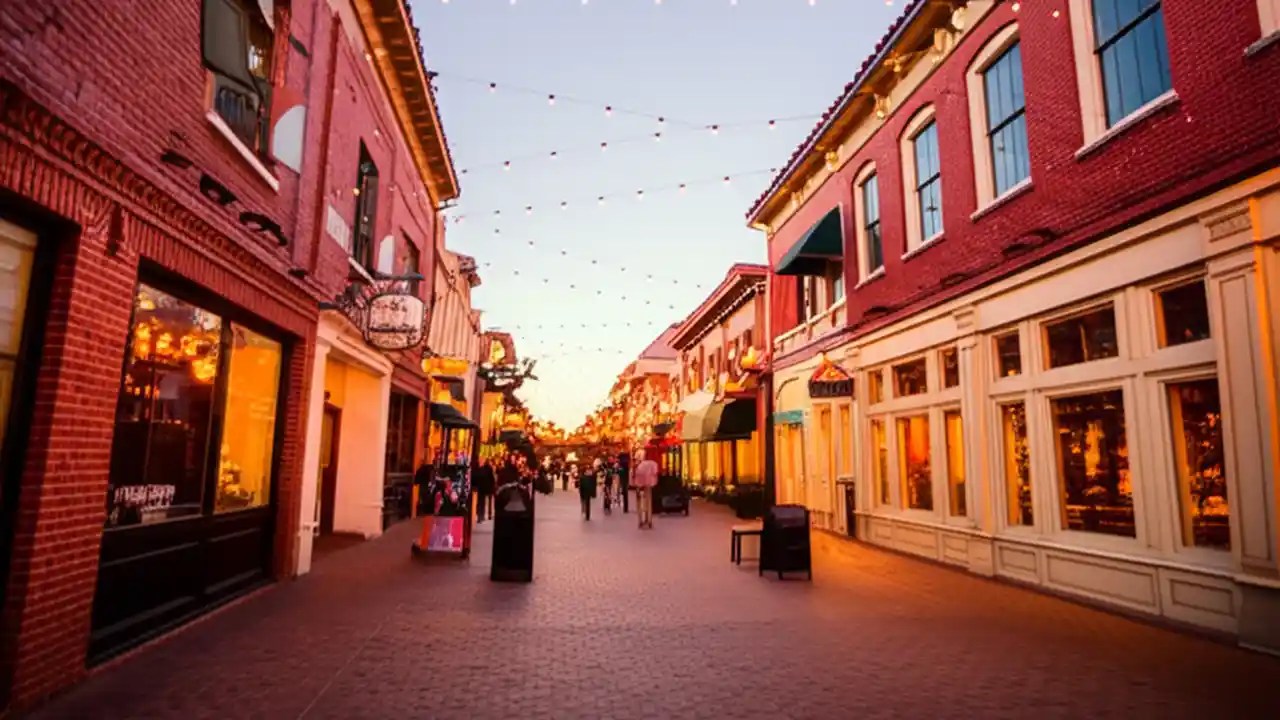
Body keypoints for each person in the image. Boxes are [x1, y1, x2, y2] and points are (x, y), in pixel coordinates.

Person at [633, 451, 659, 529]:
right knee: (649, 501)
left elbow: (635, 473)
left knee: (639, 502)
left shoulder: (639, 465)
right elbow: (655, 472)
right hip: (649, 485)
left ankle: (640, 520)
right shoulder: (654, 464)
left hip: (639, 484)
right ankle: (649, 519)